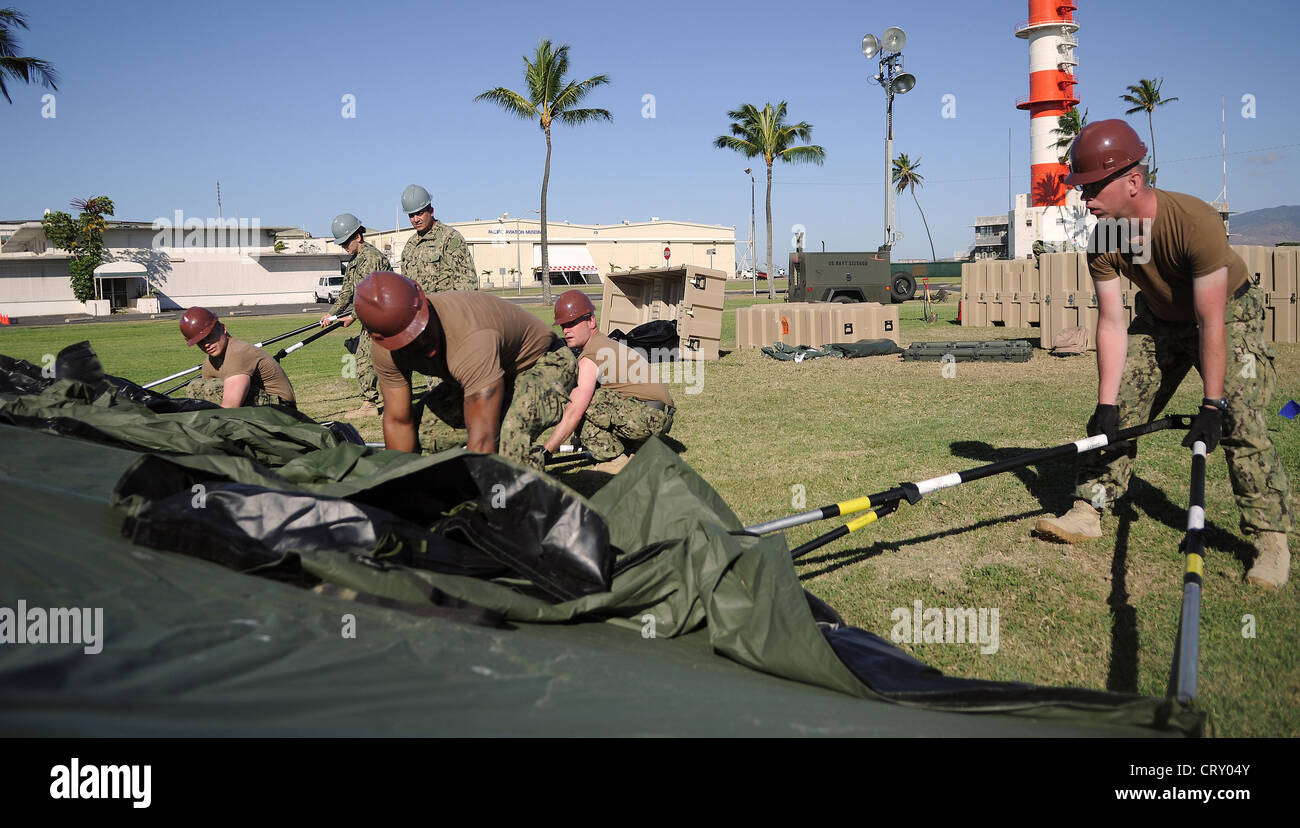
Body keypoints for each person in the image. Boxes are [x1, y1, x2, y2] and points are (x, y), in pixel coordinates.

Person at [1032, 119, 1292, 590]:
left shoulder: (1192, 222)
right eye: (1081, 186)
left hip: (1227, 315)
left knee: (1240, 418)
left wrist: (1212, 405)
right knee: (1119, 411)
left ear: (1133, 181)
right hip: (1160, 319)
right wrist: (1107, 404)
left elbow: (1210, 322)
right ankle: (1089, 507)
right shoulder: (1105, 237)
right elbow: (1111, 321)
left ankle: (1271, 540)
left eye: (1092, 186)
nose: (1084, 198)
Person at [354, 271, 575, 470]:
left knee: (507, 441)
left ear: (423, 303)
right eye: (408, 340)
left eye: (421, 328)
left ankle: (515, 505)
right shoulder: (386, 353)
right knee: (422, 433)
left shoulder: (472, 337)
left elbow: (483, 439)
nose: (421, 343)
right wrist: (401, 485)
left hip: (542, 363)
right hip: (487, 374)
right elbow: (398, 421)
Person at [542, 290, 674, 473]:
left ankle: (614, 461)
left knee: (578, 401)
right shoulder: (604, 343)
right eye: (563, 325)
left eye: (572, 323)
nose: (566, 330)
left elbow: (574, 412)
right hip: (660, 416)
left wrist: (546, 450)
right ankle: (639, 448)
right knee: (593, 398)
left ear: (591, 321)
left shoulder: (590, 356)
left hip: (648, 419)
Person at [321, 213, 391, 419]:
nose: (343, 246)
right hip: (371, 317)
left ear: (358, 236)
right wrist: (331, 314)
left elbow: (370, 295)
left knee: (364, 358)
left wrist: (352, 316)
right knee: (374, 358)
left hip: (383, 318)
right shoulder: (355, 261)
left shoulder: (371, 258)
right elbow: (347, 293)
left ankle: (369, 405)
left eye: (345, 241)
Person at [179, 307, 296, 408]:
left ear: (223, 328)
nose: (206, 344)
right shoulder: (209, 363)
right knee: (195, 387)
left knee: (212, 388)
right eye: (200, 342)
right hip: (259, 408)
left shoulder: (238, 352)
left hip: (281, 409)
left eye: (209, 336)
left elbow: (230, 407)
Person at [398, 184, 478, 294]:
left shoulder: (450, 238)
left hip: (443, 309)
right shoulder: (410, 245)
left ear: (431, 211)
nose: (416, 219)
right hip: (418, 309)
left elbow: (467, 283)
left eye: (420, 213)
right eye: (411, 215)